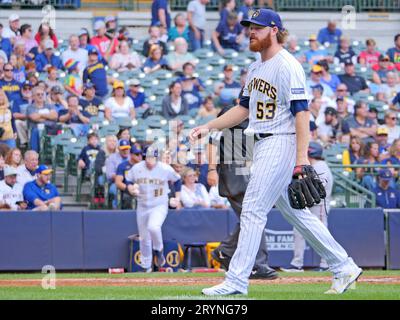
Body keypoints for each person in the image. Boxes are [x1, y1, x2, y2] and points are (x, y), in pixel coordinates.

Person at [190, 8, 362, 296]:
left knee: (253, 209)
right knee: (298, 214)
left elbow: (302, 113)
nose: (250, 32)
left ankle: (236, 281)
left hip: (281, 140)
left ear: (273, 29)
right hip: (263, 141)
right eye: (249, 27)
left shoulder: (287, 65)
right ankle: (343, 265)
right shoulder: (256, 67)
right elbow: (242, 109)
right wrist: (210, 126)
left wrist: (301, 158)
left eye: (256, 27)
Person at [207, 102, 278, 279]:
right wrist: (211, 169)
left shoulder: (255, 116)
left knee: (250, 217)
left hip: (248, 170)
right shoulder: (230, 111)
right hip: (233, 171)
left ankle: (226, 251)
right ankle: (257, 264)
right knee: (255, 216)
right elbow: (213, 139)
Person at [125, 147, 181, 272]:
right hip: (142, 204)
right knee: (144, 238)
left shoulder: (164, 168)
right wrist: (130, 188)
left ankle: (159, 249)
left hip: (159, 204)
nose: (149, 160)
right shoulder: (137, 168)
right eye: (147, 157)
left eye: (152, 157)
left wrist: (177, 198)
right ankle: (146, 267)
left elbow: (177, 181)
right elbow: (127, 180)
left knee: (153, 227)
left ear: (157, 157)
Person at [281, 142, 333, 272]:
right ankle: (297, 264)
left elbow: (319, 189)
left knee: (321, 233)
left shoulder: (321, 166)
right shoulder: (312, 166)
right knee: (298, 231)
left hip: (319, 205)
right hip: (307, 205)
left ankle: (325, 264)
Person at [26, 86, 58, 152]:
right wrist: (48, 116)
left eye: (42, 94)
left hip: (51, 128)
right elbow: (34, 118)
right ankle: (35, 153)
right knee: (36, 131)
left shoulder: (49, 105)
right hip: (36, 129)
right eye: (38, 94)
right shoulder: (30, 107)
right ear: (33, 97)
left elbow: (55, 116)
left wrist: (40, 115)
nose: (40, 96)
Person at [115, 144, 143, 209]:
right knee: (127, 198)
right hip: (127, 191)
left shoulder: (144, 166)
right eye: (137, 154)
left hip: (142, 190)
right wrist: (128, 189)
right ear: (131, 155)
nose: (140, 156)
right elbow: (118, 182)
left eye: (141, 154)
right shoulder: (123, 166)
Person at [105, 139, 131, 209]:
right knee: (116, 190)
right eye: (123, 149)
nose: (125, 151)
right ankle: (116, 209)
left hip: (131, 182)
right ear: (119, 149)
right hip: (114, 182)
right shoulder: (112, 158)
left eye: (127, 149)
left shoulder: (132, 157)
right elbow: (110, 174)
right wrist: (120, 178)